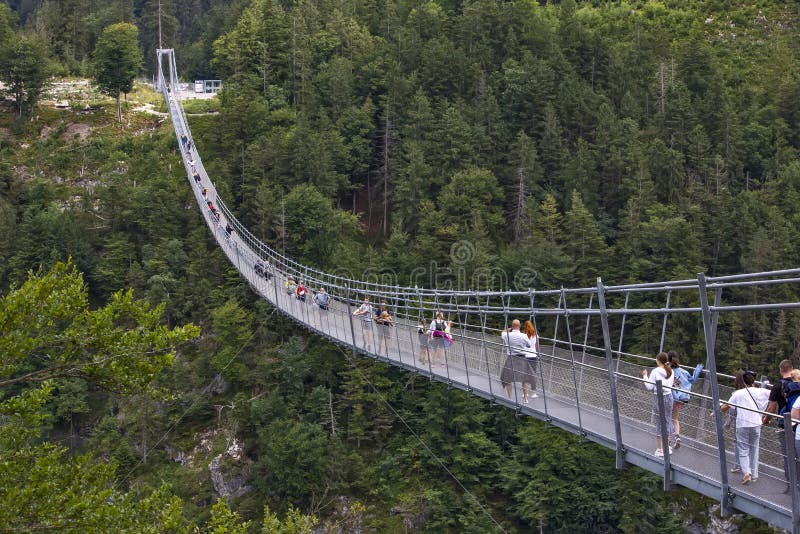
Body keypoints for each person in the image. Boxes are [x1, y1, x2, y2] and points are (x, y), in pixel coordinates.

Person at [721, 371, 769, 484]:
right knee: (754, 448)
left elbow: (725, 408)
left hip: (742, 424)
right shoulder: (762, 391)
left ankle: (746, 473)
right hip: (756, 423)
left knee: (743, 449)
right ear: (753, 381)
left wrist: (719, 406)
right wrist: (767, 414)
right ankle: (755, 474)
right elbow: (774, 395)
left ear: (743, 381)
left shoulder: (738, 393)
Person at [763, 359, 795, 485]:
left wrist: (766, 419)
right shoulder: (797, 382)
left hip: (784, 423)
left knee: (787, 453)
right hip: (798, 423)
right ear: (792, 369)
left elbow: (771, 407)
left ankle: (790, 483)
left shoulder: (778, 385)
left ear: (781, 370)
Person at [642, 352, 675, 457]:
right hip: (669, 397)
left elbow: (649, 387)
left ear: (658, 360)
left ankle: (660, 450)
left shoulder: (655, 371)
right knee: (668, 420)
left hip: (659, 398)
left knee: (660, 423)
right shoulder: (671, 371)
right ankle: (668, 447)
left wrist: (645, 376)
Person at [668, 351, 703, 449]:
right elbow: (691, 380)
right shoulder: (684, 371)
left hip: (672, 397)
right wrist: (697, 370)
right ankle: (677, 437)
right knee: (675, 418)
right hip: (682, 398)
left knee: (667, 418)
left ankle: (668, 440)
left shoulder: (668, 371)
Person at [500, 319, 533, 402]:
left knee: (507, 378)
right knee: (525, 379)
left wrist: (509, 329)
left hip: (511, 358)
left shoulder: (506, 335)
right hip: (522, 358)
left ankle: (510, 398)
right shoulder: (524, 336)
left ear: (512, 326)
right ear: (519, 326)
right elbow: (529, 345)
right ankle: (525, 398)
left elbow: (502, 332)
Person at [523, 320, 540, 400]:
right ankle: (533, 393)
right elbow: (537, 347)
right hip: (533, 356)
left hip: (525, 356)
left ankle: (525, 394)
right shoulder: (535, 335)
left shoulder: (523, 335)